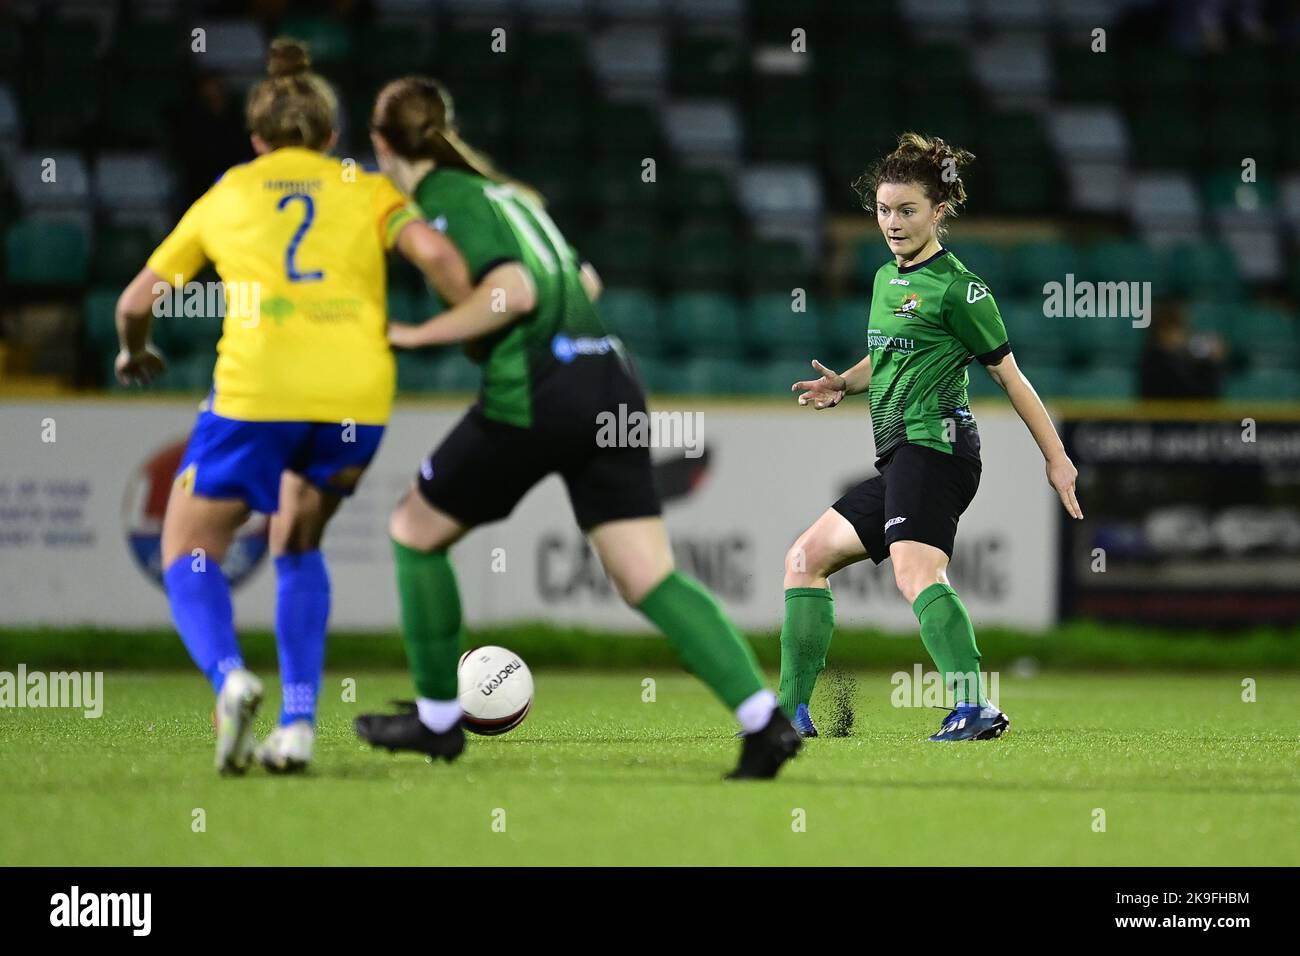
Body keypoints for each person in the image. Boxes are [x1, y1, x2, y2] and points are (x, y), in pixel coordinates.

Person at [352, 76, 801, 779]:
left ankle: (437, 721)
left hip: (540, 389)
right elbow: (584, 281)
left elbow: (514, 293)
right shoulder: (513, 197)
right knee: (647, 575)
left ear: (381, 143)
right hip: (610, 379)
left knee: (415, 529)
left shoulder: (446, 197)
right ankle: (763, 721)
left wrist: (416, 335)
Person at [114, 40, 473, 773]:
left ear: (256, 139)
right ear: (331, 136)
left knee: (187, 549)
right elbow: (439, 256)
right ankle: (299, 724)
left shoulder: (229, 192)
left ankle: (229, 679)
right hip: (355, 397)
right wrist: (469, 317)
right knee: (298, 543)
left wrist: (133, 351)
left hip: (259, 391)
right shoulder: (364, 187)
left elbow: (136, 302)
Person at [780, 133, 1083, 741]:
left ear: (938, 211)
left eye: (906, 210)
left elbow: (1010, 376)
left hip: (939, 448)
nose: (892, 222)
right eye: (883, 210)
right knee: (804, 560)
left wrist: (1057, 458)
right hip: (900, 456)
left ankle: (976, 707)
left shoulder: (960, 290)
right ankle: (789, 714)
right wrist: (844, 383)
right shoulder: (884, 279)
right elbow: (888, 357)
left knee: (915, 571)